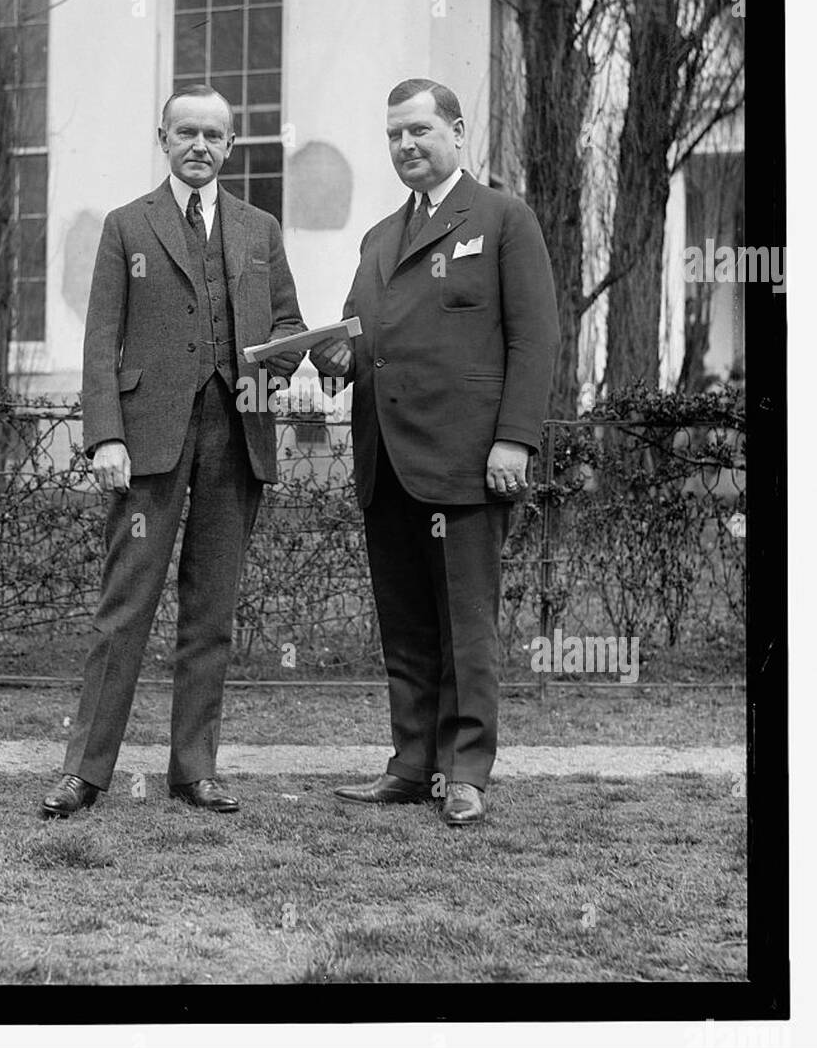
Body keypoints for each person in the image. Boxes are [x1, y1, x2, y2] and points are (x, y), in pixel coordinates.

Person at [43, 85, 305, 818]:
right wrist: (105, 436)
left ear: (230, 146)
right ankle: (84, 773)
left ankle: (195, 770)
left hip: (236, 433)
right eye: (185, 132)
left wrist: (274, 364)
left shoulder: (260, 230)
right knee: (124, 608)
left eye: (213, 136)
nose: (199, 145)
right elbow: (101, 343)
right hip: (148, 440)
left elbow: (288, 324)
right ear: (162, 138)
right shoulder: (128, 226)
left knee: (211, 611)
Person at [310, 78, 559, 827]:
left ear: (455, 132)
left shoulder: (502, 219)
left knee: (465, 626)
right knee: (408, 625)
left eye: (419, 130)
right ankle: (410, 766)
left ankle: (465, 772)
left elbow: (535, 338)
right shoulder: (378, 237)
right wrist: (331, 357)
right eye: (393, 135)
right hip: (385, 463)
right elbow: (362, 337)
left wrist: (514, 438)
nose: (405, 146)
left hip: (466, 462)